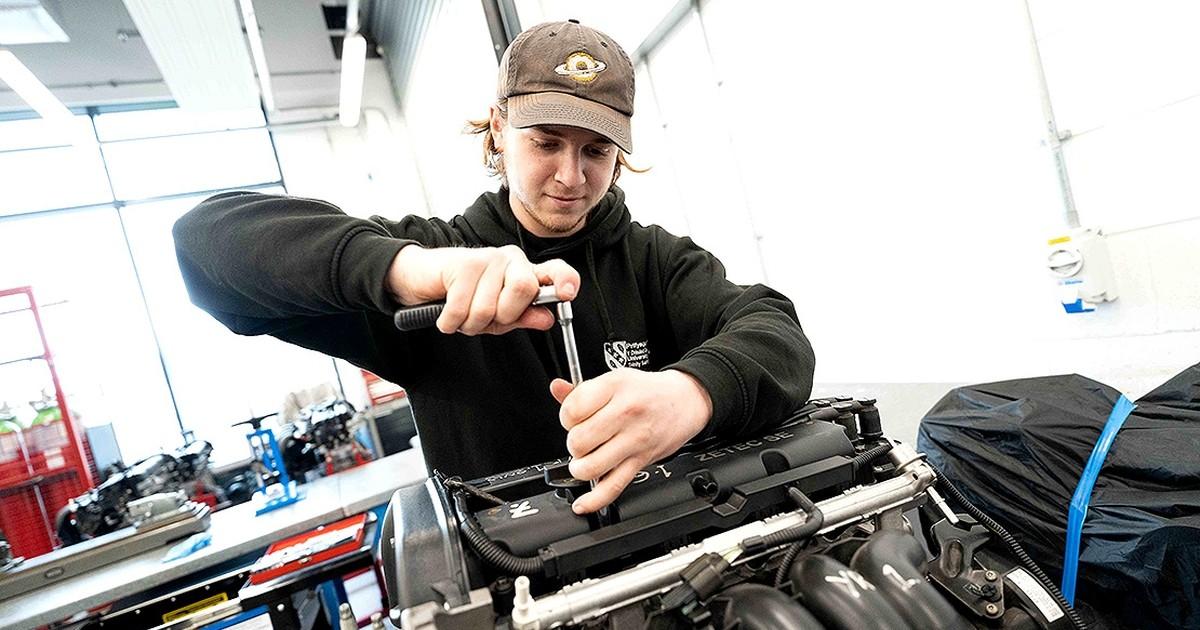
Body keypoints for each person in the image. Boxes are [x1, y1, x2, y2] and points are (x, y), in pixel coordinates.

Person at [173, 20, 815, 514]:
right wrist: (406, 270)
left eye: (596, 150)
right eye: (545, 143)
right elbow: (206, 247)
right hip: (511, 583)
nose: (572, 176)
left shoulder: (655, 260)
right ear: (500, 129)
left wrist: (692, 393)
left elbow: (776, 331)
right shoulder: (434, 257)